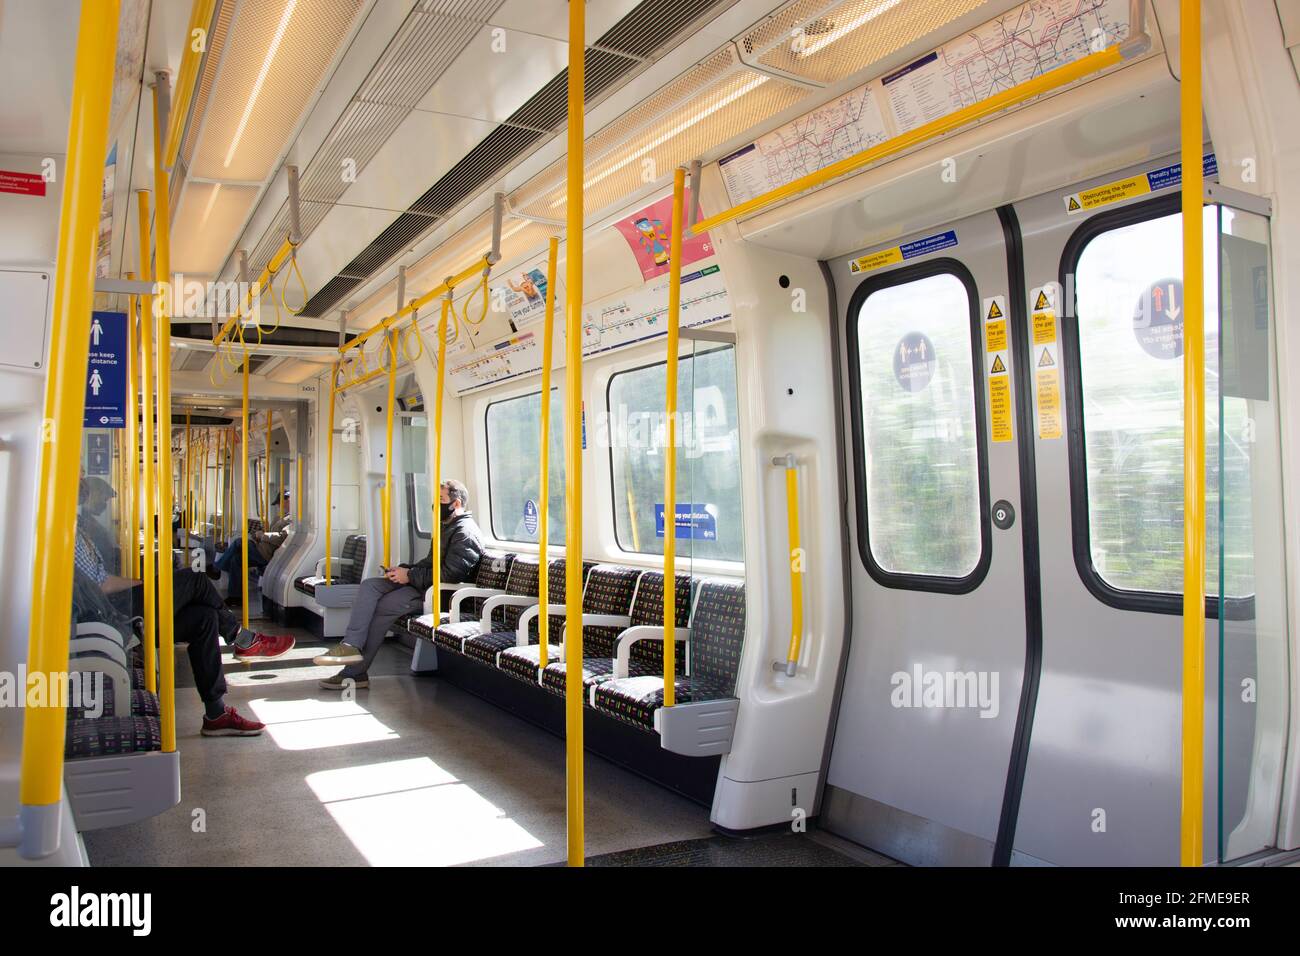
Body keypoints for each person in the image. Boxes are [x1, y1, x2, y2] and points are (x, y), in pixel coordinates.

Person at [74, 488, 295, 736]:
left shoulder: (77, 530)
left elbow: (102, 579)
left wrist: (145, 584)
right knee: (196, 579)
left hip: (112, 607)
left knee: (205, 618)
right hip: (112, 617)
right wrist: (148, 585)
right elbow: (102, 585)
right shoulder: (69, 535)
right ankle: (242, 638)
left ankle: (216, 713)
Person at [314, 479, 484, 689]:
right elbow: (429, 564)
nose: (435, 505)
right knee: (370, 586)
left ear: (456, 504)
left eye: (441, 499)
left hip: (438, 594)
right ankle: (350, 645)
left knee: (384, 606)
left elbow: (449, 575)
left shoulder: (465, 532)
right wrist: (402, 570)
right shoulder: (446, 527)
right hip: (421, 583)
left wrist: (410, 575)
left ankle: (355, 673)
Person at [209, 490, 293, 605]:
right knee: (236, 560)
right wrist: (259, 534)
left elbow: (282, 537)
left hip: (265, 553)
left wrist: (262, 535)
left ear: (287, 500)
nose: (278, 506)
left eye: (279, 502)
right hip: (260, 547)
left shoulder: (292, 519)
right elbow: (270, 534)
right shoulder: (281, 518)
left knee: (239, 542)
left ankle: (217, 568)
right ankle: (235, 597)